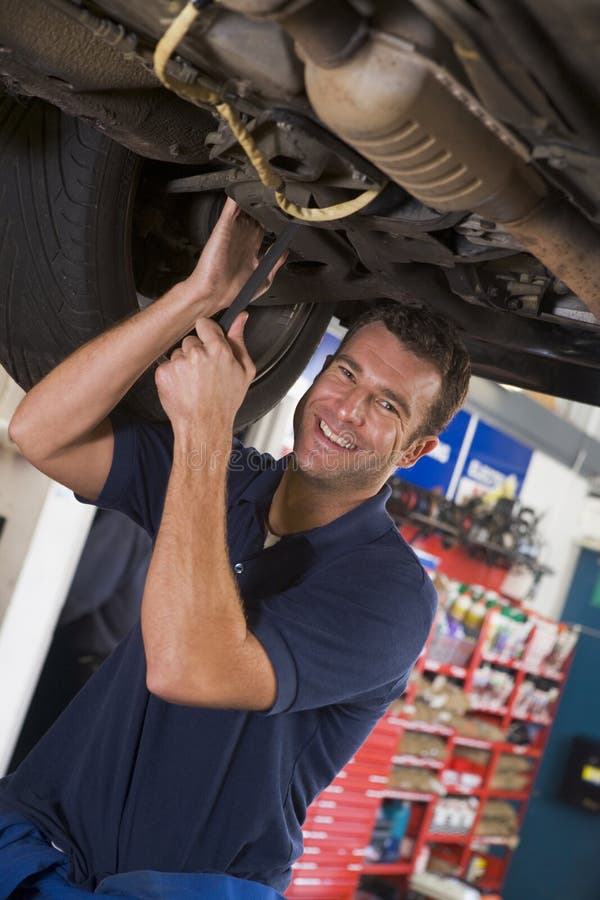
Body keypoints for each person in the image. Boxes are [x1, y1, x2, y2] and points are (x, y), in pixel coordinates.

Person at [0, 198, 471, 898]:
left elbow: (186, 667)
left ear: (415, 451)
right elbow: (41, 433)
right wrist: (199, 296)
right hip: (34, 842)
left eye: (386, 405)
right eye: (345, 374)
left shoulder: (391, 595)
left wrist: (205, 430)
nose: (346, 411)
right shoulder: (229, 479)